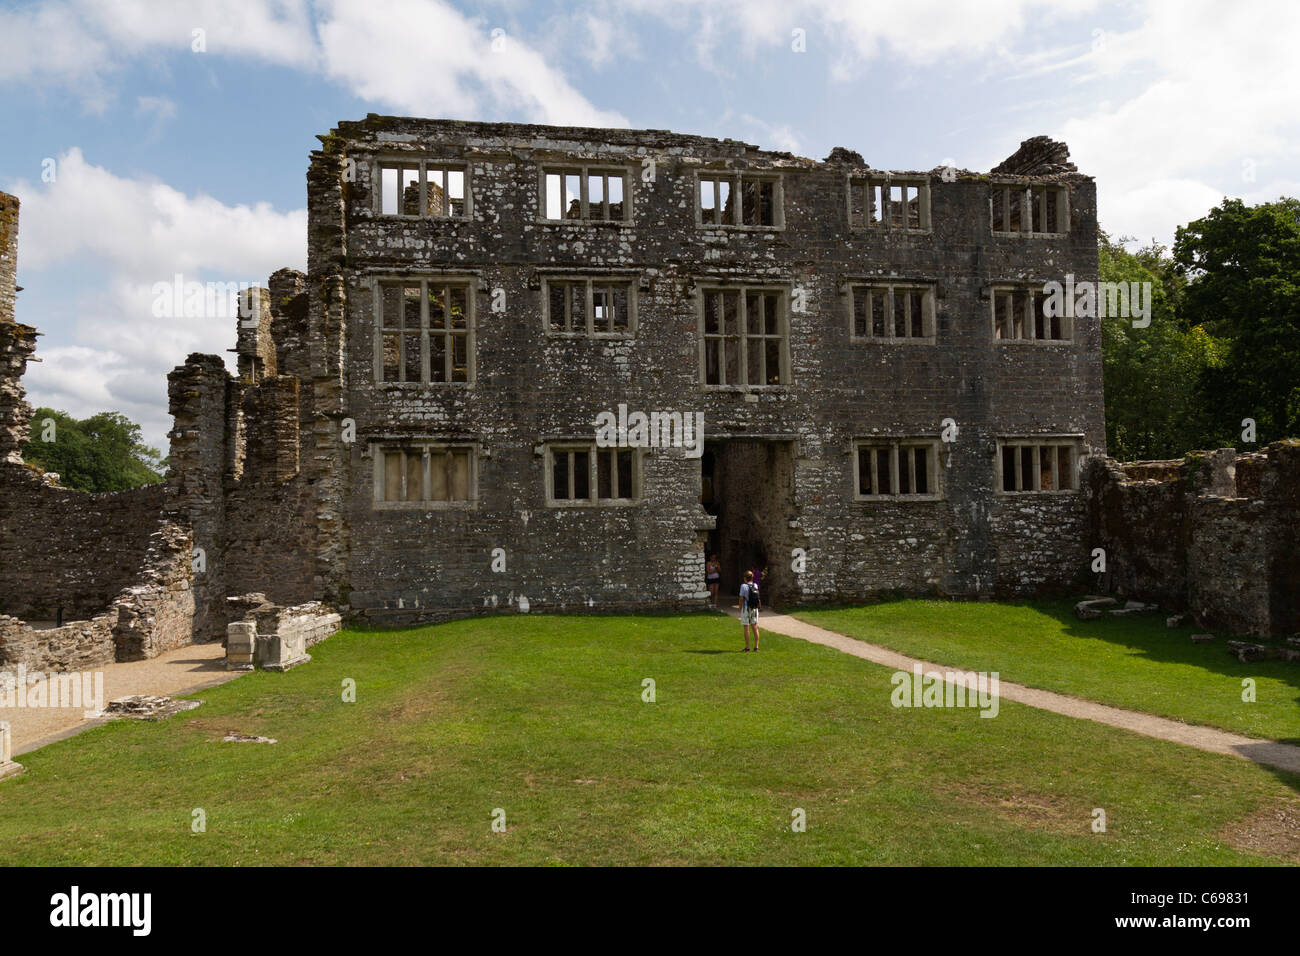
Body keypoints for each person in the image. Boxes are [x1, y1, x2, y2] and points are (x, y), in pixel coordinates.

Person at [739, 570, 761, 652]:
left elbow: (741, 598)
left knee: (746, 628)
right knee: (755, 627)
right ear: (752, 578)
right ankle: (756, 647)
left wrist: (740, 607)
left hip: (746, 608)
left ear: (745, 578)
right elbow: (757, 597)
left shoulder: (743, 586)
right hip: (754, 609)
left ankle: (747, 647)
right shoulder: (755, 585)